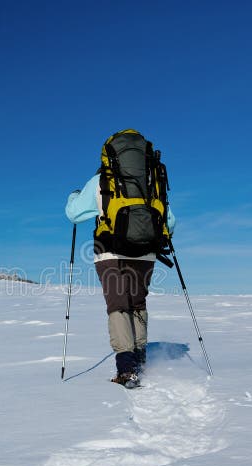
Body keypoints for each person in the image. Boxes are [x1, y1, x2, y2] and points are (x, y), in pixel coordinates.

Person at [65, 135, 175, 385]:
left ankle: (127, 367)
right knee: (138, 303)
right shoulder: (152, 180)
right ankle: (140, 356)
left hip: (110, 252)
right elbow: (170, 222)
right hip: (146, 252)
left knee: (118, 306)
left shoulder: (102, 179)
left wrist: (74, 195)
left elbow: (73, 214)